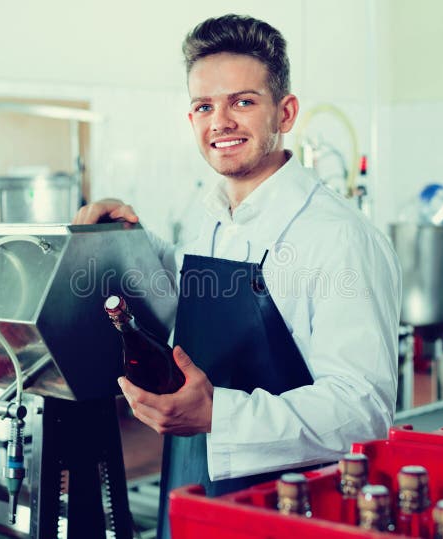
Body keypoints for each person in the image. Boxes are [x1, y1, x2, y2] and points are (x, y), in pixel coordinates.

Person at [73, 14, 401, 538]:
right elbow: (190, 309)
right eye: (205, 106)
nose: (220, 121)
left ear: (286, 111)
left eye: (242, 102)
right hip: (193, 495)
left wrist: (216, 415)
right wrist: (132, 243)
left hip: (292, 513)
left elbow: (363, 412)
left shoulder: (338, 236)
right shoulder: (211, 217)